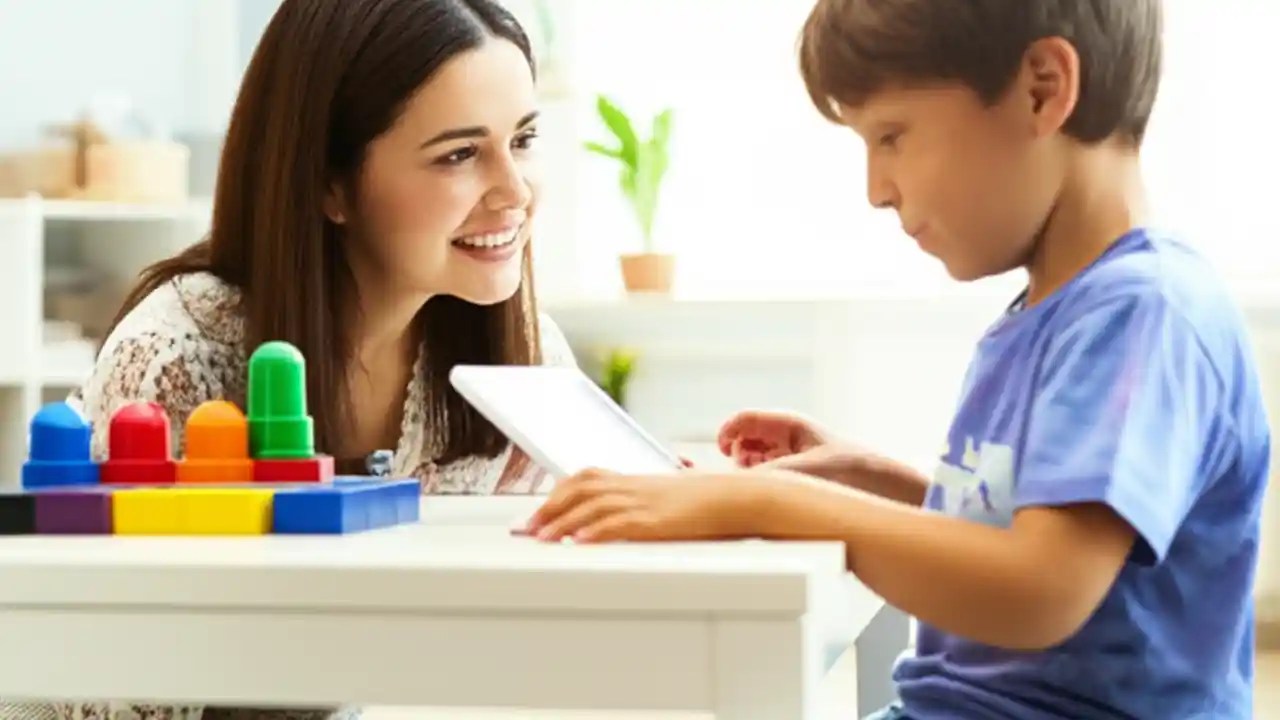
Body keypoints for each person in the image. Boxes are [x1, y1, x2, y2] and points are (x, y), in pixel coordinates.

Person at [527, 1, 1269, 718]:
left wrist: (767, 503)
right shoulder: (1065, 309)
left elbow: (1040, 588)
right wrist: (869, 479)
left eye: (892, 136)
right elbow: (1030, 537)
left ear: (1042, 89)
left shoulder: (1143, 311)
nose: (877, 190)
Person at [0, 1, 572, 719]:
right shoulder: (179, 359)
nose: (515, 191)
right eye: (459, 154)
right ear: (331, 184)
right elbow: (131, 689)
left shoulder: (528, 364)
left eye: (522, 139)